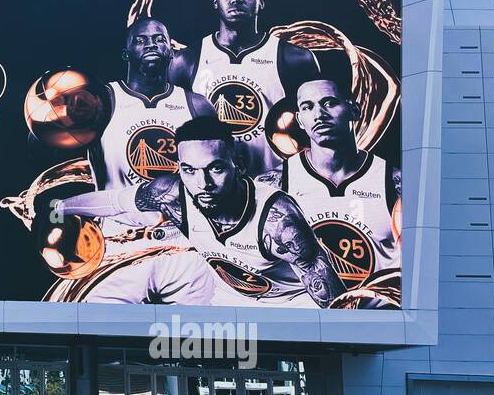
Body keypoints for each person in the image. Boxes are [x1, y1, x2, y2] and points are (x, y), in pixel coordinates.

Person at [59, 116, 346, 307]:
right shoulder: (174, 195)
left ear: (238, 165)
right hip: (230, 306)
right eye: (190, 170)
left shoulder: (279, 223)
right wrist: (58, 208)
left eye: (215, 168)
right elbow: (114, 201)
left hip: (290, 308)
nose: (203, 184)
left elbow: (336, 310)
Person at [170, 0, 318, 174]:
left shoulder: (294, 58)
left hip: (275, 180)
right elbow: (173, 125)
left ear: (261, 2)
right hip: (209, 182)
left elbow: (317, 124)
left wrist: (294, 171)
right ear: (216, 1)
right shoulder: (186, 60)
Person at [281, 78, 401, 293]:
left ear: (354, 110)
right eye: (307, 107)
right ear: (300, 120)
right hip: (308, 316)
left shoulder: (395, 182)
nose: (319, 115)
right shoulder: (278, 183)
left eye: (329, 103)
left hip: (375, 315)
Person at [90, 16, 216, 189]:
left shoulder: (197, 106)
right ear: (125, 54)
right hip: (119, 216)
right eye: (140, 40)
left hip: (184, 216)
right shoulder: (103, 100)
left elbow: (218, 168)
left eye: (159, 39)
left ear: (171, 52)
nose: (151, 45)